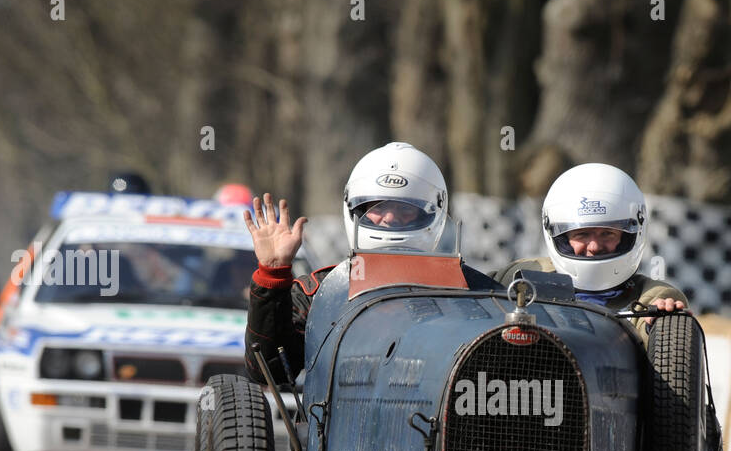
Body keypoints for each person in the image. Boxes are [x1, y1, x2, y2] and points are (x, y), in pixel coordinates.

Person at [243, 141, 493, 383]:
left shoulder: (475, 293)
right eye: (376, 206)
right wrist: (273, 274)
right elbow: (269, 372)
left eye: (405, 208)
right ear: (355, 207)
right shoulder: (318, 292)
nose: (389, 218)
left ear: (432, 211)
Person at [493, 163, 688, 338]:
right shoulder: (522, 274)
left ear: (628, 236)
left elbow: (665, 351)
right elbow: (469, 295)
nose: (594, 247)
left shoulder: (654, 296)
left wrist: (662, 323)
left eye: (607, 234)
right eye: (582, 234)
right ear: (561, 238)